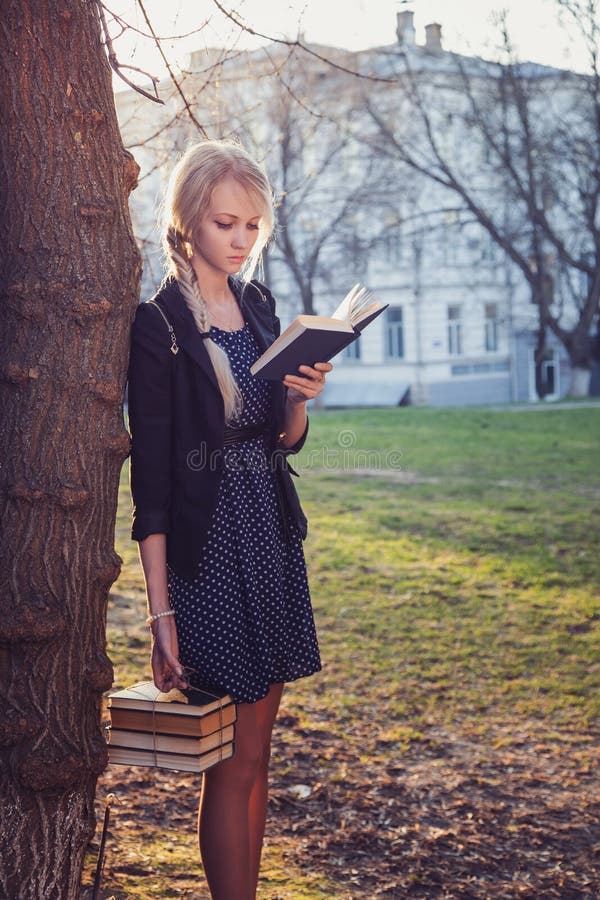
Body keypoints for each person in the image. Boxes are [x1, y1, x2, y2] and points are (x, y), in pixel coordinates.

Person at [127, 139, 332, 900]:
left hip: (270, 538)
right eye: (226, 224)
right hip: (207, 553)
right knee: (232, 759)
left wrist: (303, 396)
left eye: (253, 225)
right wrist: (161, 616)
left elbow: (282, 438)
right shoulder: (160, 326)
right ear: (188, 225)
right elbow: (149, 483)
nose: (242, 241)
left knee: (260, 751)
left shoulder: (260, 307)